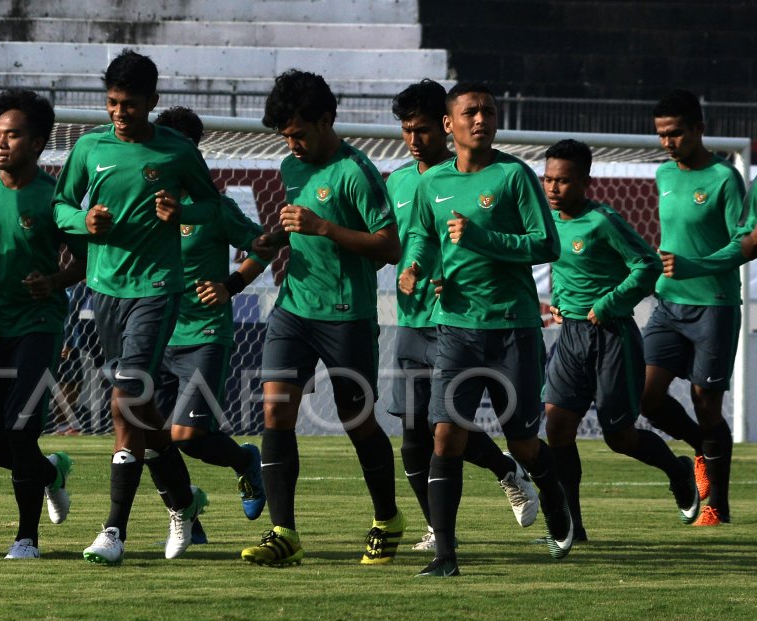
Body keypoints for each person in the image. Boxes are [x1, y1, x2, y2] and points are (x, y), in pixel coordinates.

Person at [53, 50, 221, 565]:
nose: (119, 112)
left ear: (152, 101)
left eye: (128, 103)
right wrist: (86, 225)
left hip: (157, 288)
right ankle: (183, 505)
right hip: (104, 291)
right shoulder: (89, 148)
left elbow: (211, 204)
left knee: (124, 400)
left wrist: (182, 211)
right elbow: (60, 207)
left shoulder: (174, 151)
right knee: (143, 412)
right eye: (111, 103)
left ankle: (113, 531)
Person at [402, 82, 571, 577]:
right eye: (471, 112)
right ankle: (445, 556)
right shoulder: (432, 184)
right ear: (450, 124)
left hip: (513, 329)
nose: (481, 119)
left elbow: (546, 245)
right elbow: (420, 238)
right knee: (445, 438)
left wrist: (481, 237)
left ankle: (554, 499)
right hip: (455, 329)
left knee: (521, 443)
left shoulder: (513, 175)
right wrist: (413, 268)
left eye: (489, 112)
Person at [239, 69, 404, 568]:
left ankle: (387, 519)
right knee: (274, 414)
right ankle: (284, 532)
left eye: (299, 133)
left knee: (357, 422)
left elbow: (389, 246)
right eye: (285, 135)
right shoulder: (294, 168)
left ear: (327, 120)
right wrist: (275, 243)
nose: (291, 144)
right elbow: (298, 228)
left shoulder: (356, 172)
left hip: (346, 316)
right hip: (293, 310)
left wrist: (325, 227)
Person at [542, 138, 702, 537]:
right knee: (557, 426)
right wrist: (559, 303)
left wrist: (609, 303)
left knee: (619, 437)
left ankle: (677, 469)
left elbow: (647, 266)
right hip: (571, 337)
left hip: (612, 336)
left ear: (584, 181)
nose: (552, 188)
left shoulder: (603, 221)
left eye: (562, 181)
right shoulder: (549, 222)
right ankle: (572, 526)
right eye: (547, 179)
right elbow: (562, 272)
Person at [0, 89, 85, 559]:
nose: (1, 142)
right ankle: (50, 472)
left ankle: (26, 538)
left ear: (39, 142)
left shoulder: (55, 198)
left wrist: (52, 281)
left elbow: (82, 262)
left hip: (39, 325)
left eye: (13, 135)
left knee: (20, 429)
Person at [147, 106, 271, 555]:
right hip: (154, 335)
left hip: (203, 335)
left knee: (186, 436)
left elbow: (262, 247)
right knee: (150, 440)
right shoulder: (143, 206)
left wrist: (231, 284)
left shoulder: (216, 209)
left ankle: (244, 460)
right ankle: (187, 510)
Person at [641, 90, 754, 527]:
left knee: (707, 406)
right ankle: (697, 454)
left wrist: (695, 265)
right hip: (668, 304)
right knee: (647, 396)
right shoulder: (663, 175)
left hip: (714, 305)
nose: (668, 143)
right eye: (661, 136)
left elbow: (743, 245)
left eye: (676, 134)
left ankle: (717, 508)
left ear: (698, 130)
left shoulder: (725, 178)